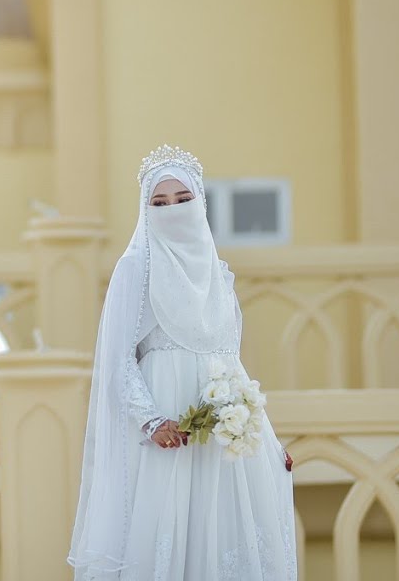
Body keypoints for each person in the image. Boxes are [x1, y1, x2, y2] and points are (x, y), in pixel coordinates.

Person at [68, 144, 297, 580]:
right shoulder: (136, 267)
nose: (172, 209)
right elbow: (117, 359)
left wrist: (268, 441)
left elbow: (232, 363)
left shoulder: (218, 273)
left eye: (183, 199)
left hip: (222, 441)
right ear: (145, 210)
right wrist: (152, 421)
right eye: (159, 203)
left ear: (200, 203)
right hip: (167, 435)